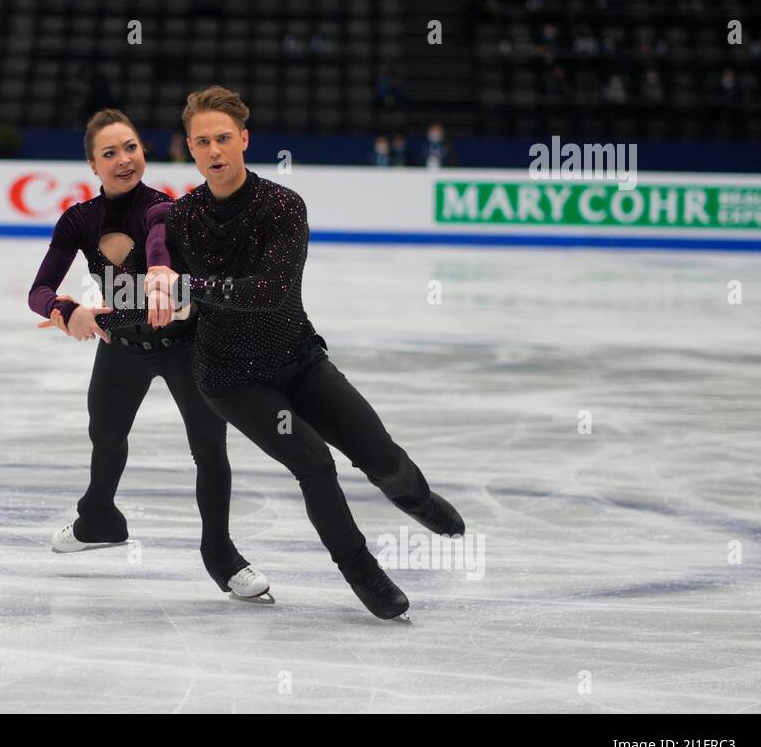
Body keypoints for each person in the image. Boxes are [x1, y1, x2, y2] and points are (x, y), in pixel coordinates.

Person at [142, 86, 464, 620]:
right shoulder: (180, 218)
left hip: (296, 358)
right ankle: (363, 572)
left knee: (380, 456)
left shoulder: (282, 206)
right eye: (203, 142)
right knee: (315, 464)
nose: (215, 150)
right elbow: (150, 263)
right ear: (190, 150)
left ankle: (418, 500)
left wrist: (188, 284)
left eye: (224, 138)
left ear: (244, 139)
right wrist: (88, 312)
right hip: (230, 378)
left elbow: (269, 290)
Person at [28, 108, 270, 602]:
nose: (124, 160)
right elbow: (39, 290)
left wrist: (160, 283)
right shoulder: (79, 220)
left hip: (185, 347)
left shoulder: (163, 208)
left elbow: (158, 248)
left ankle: (221, 556)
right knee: (105, 436)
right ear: (92, 165)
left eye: (131, 148)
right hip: (122, 346)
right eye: (110, 153)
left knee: (208, 447)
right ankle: (98, 520)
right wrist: (64, 309)